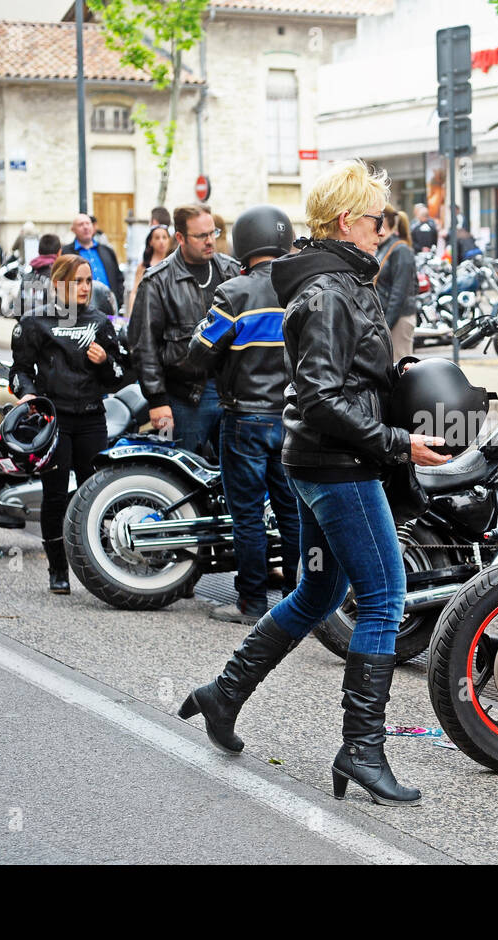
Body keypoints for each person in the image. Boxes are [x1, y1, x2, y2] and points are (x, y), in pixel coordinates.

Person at [178, 159, 449, 807]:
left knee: (317, 592)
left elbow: (341, 380)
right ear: (347, 220)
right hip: (338, 464)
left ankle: (223, 693)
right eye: (378, 218)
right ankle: (361, 746)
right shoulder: (330, 288)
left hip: (319, 460)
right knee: (385, 595)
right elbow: (323, 395)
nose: (385, 229)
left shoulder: (336, 280)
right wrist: (396, 442)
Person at [184, 206, 301, 625]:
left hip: (245, 420)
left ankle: (251, 604)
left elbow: (198, 353)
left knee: (247, 516)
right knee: (293, 514)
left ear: (244, 244)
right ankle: (297, 603)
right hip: (291, 420)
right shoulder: (300, 291)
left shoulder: (234, 293)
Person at [11, 254, 127, 593]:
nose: (85, 287)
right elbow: (18, 371)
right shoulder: (34, 323)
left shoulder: (101, 322)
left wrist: (105, 361)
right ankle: (58, 569)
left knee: (97, 495)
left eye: (89, 281)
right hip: (55, 420)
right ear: (58, 283)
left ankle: (98, 566)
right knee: (56, 496)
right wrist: (30, 396)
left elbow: (118, 376)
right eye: (78, 281)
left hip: (92, 418)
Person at [127, 202, 239, 455]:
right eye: (201, 236)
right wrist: (157, 401)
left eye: (213, 233)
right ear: (180, 237)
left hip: (231, 394)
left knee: (233, 478)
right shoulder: (158, 280)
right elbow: (143, 345)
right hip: (183, 398)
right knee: (182, 476)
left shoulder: (231, 271)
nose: (210, 241)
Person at [376, 205, 417, 363]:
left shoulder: (400, 249)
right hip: (390, 318)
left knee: (400, 367)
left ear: (384, 222)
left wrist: (386, 325)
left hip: (398, 319)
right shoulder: (383, 247)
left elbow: (399, 292)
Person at [62, 212, 124, 307]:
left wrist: (119, 302)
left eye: (88, 223)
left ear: (93, 226)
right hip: (80, 308)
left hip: (109, 306)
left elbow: (118, 278)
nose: (85, 227)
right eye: (80, 224)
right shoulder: (66, 253)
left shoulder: (107, 251)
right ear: (73, 230)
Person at [127, 225, 174, 316]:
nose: (161, 241)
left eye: (164, 237)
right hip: (147, 311)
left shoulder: (174, 264)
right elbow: (134, 292)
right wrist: (132, 313)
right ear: (151, 242)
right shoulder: (143, 266)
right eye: (157, 238)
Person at [21, 233, 62, 312]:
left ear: (39, 251)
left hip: (26, 321)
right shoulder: (58, 275)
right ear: (59, 252)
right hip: (49, 322)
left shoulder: (28, 273)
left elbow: (18, 307)